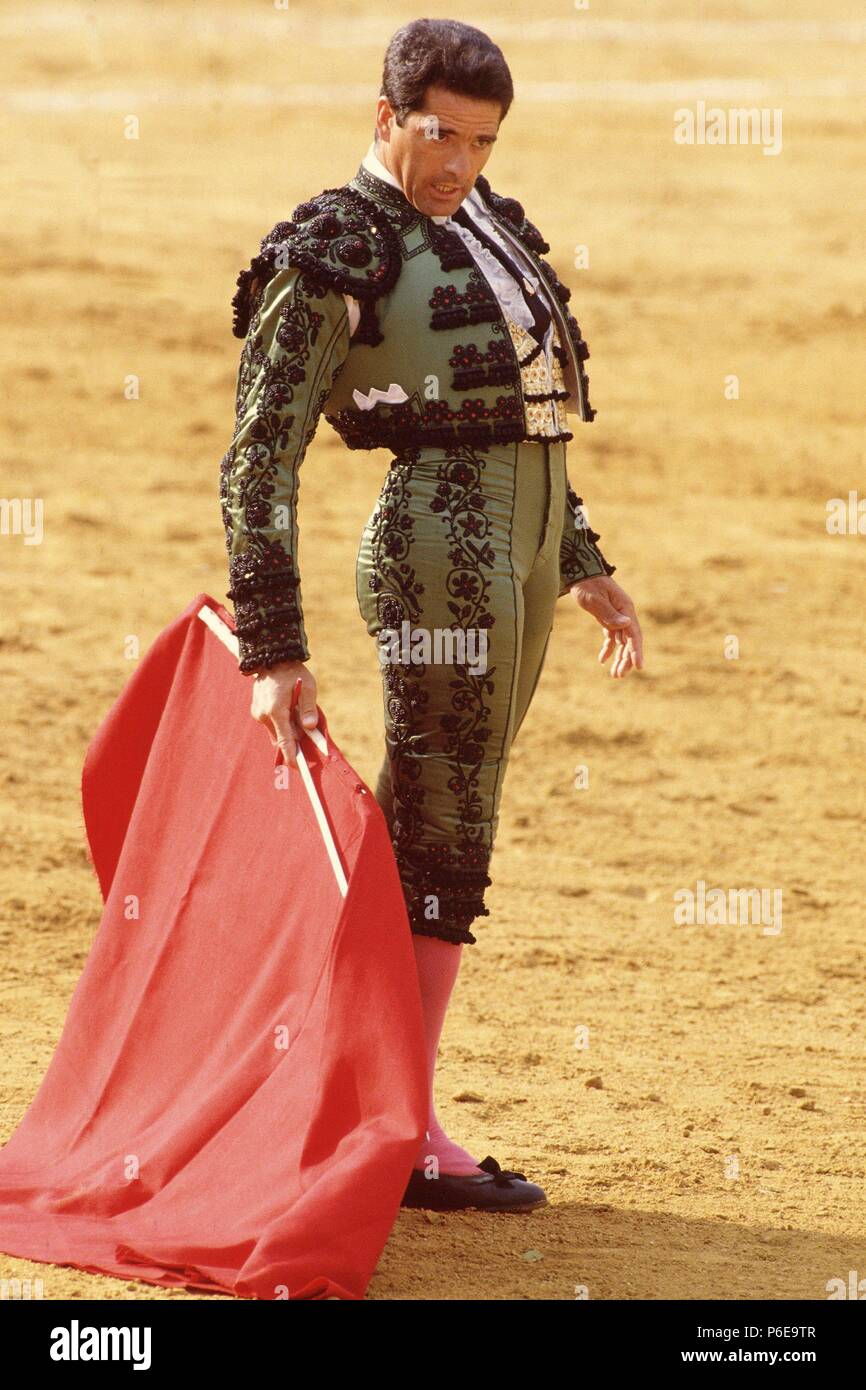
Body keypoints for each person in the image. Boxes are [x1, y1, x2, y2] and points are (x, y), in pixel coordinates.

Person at [219, 18, 643, 1212]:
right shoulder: (333, 246)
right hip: (436, 557)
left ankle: (374, 1102)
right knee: (442, 821)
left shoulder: (486, 219)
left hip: (513, 553)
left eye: (479, 139)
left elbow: (521, 408)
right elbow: (259, 460)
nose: (457, 161)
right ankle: (395, 1127)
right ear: (383, 115)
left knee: (444, 815)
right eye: (436, 133)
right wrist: (274, 648)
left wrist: (578, 558)